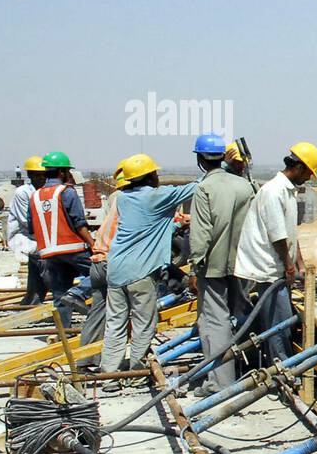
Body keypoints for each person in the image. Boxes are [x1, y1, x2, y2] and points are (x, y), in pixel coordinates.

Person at [99, 154, 199, 389]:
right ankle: (136, 372)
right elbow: (198, 187)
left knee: (115, 323)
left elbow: (144, 227)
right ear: (149, 176)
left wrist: (174, 225)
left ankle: (109, 376)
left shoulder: (123, 197)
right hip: (140, 271)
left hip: (116, 268)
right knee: (144, 323)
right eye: (155, 174)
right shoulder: (157, 196)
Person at [234, 142, 317, 366]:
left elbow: (290, 233)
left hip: (278, 266)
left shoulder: (287, 191)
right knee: (279, 323)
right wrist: (289, 267)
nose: (308, 179)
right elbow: (278, 237)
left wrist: (300, 263)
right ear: (299, 168)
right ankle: (282, 368)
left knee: (280, 319)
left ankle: (280, 362)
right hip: (271, 269)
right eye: (309, 174)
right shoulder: (274, 191)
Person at [188, 134, 255, 395]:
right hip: (242, 264)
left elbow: (201, 235)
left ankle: (221, 383)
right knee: (242, 314)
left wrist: (195, 268)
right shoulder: (244, 187)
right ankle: (249, 367)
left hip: (213, 267)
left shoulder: (204, 189)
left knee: (215, 323)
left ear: (200, 158)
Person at [27, 151, 94, 327]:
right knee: (103, 273)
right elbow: (79, 224)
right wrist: (94, 245)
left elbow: (32, 227)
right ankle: (78, 293)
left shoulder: (34, 196)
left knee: (60, 294)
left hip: (48, 253)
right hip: (73, 249)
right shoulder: (67, 192)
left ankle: (63, 333)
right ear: (62, 172)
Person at [78, 161, 129, 355]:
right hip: (113, 263)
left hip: (98, 261)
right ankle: (115, 363)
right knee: (121, 315)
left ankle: (85, 358)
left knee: (97, 312)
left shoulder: (115, 198)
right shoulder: (131, 199)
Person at [6, 155, 48, 305]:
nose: (42, 178)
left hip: (39, 237)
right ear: (30, 175)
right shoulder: (23, 193)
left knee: (38, 271)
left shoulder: (44, 191)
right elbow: (27, 222)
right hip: (24, 237)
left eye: (44, 174)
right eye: (38, 175)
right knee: (47, 264)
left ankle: (31, 302)